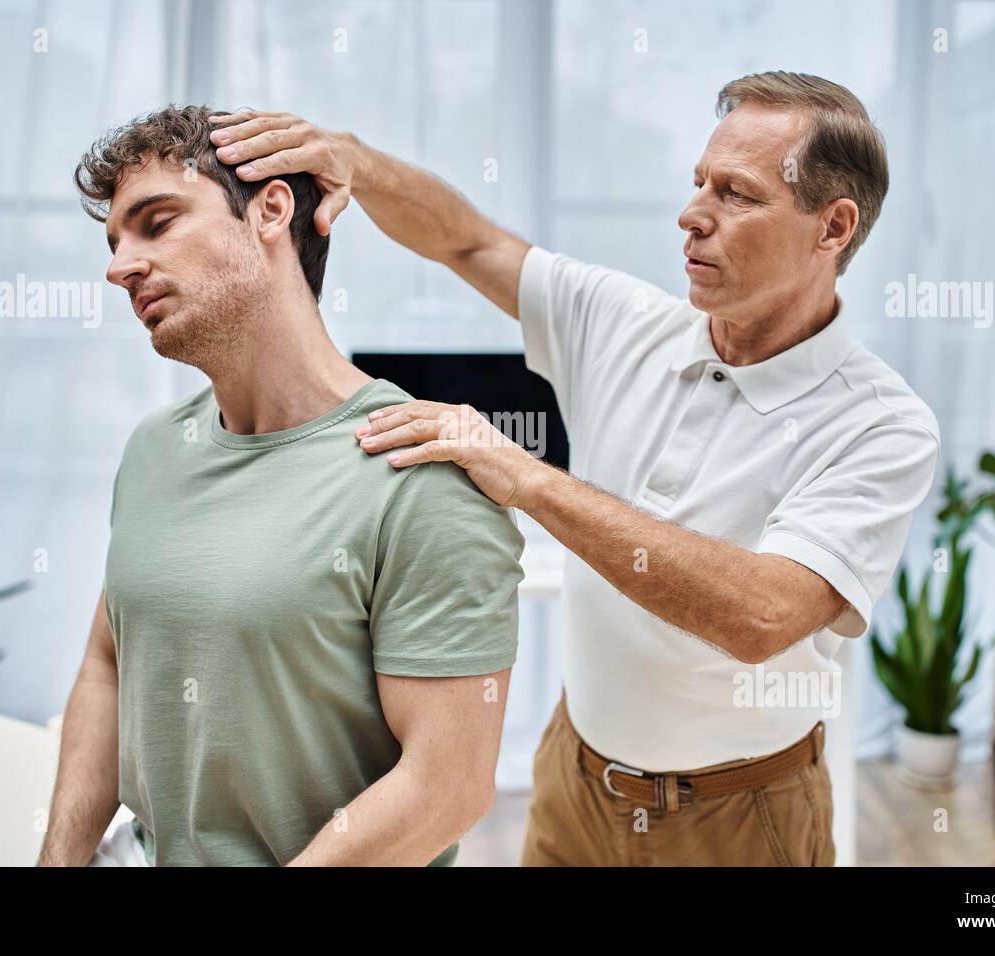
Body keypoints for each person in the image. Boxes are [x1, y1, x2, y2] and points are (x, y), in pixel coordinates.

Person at [207, 71, 941, 866]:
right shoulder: (622, 319)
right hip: (575, 778)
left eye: (737, 194)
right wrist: (353, 159)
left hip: (742, 820)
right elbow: (468, 240)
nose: (692, 216)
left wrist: (522, 476)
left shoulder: (882, 423)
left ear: (833, 227)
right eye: (700, 182)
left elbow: (761, 617)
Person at [36, 105, 525, 867]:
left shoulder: (419, 472)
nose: (117, 265)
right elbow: (108, 664)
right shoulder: (155, 450)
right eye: (113, 240)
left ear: (271, 209)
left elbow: (449, 788)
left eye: (155, 223)